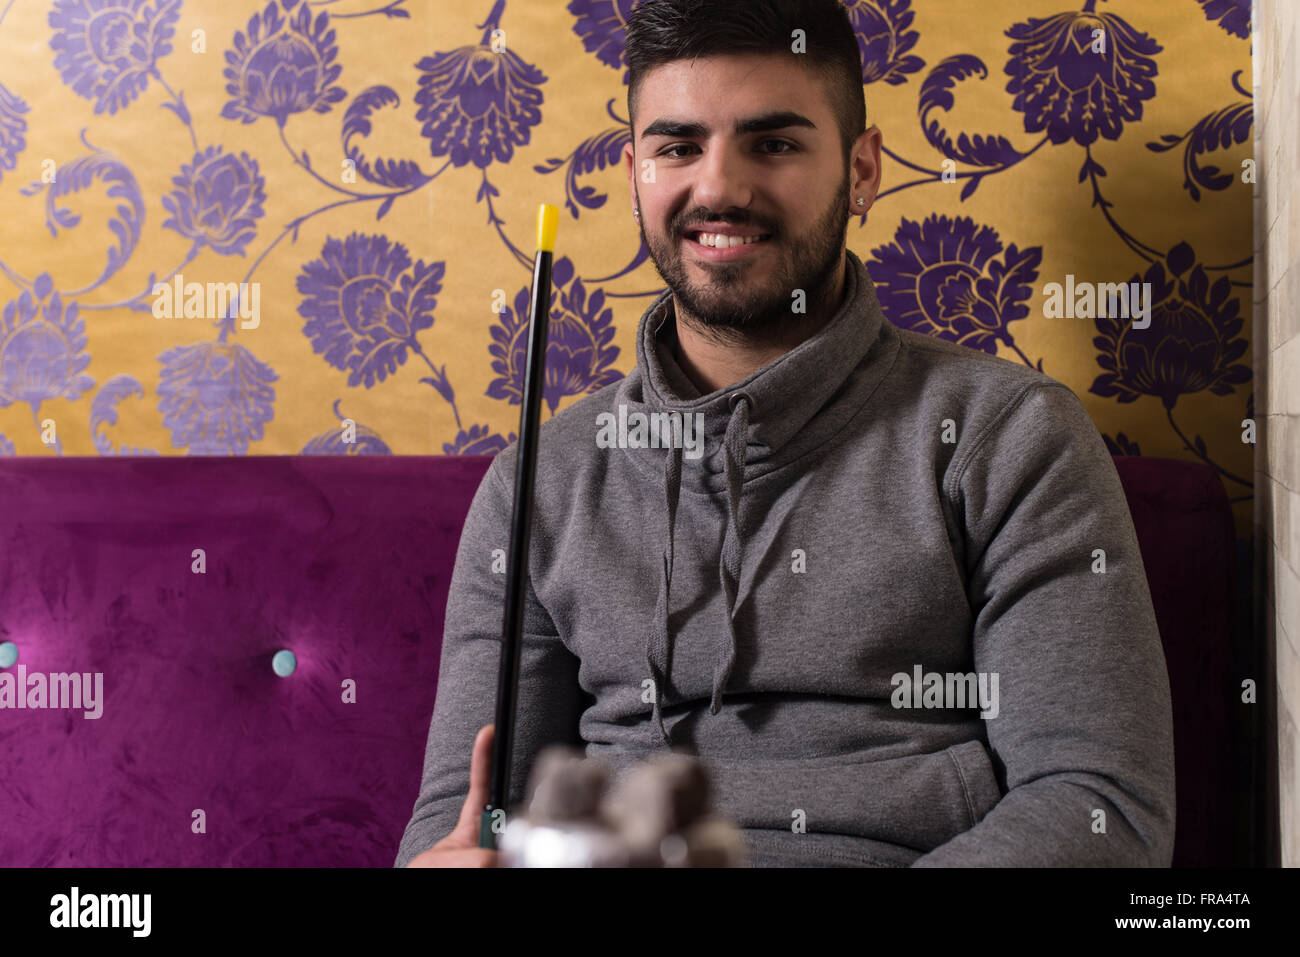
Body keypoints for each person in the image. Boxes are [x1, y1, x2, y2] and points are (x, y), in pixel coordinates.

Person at [397, 0, 1176, 868]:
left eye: (773, 143)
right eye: (678, 146)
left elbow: (1100, 807)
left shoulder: (1009, 437)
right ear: (634, 175)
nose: (719, 187)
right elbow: (459, 822)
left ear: (864, 169)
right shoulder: (539, 479)